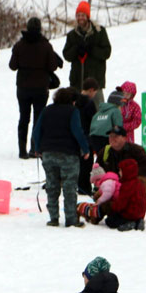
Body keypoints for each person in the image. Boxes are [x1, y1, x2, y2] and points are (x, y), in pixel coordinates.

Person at [31, 87, 91, 228]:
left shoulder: (47, 110)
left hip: (48, 154)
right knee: (69, 188)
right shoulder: (72, 111)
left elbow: (36, 131)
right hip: (68, 155)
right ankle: (71, 219)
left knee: (52, 187)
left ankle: (53, 218)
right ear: (72, 101)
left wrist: (38, 148)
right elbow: (77, 131)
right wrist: (85, 148)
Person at [9, 16, 63, 159]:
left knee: (23, 118)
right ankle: (35, 149)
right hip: (40, 88)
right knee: (38, 119)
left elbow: (12, 66)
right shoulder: (45, 46)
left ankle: (22, 150)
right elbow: (52, 66)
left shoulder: (20, 45)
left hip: (23, 88)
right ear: (39, 29)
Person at [76, 157, 146, 231]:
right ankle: (138, 221)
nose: (119, 172)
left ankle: (130, 223)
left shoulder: (127, 186)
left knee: (110, 221)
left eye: (120, 170)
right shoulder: (139, 183)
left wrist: (112, 207)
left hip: (129, 214)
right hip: (140, 213)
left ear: (126, 172)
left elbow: (121, 203)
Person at [62, 1, 111, 103]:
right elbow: (66, 55)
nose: (80, 18)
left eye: (83, 15)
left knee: (98, 112)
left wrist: (92, 50)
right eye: (78, 15)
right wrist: (76, 49)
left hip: (95, 83)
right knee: (78, 114)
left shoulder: (99, 32)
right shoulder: (72, 35)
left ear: (87, 16)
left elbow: (107, 52)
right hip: (77, 83)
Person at [74, 78, 99, 194]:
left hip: (75, 136)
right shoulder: (89, 103)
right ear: (91, 90)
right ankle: (85, 188)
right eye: (95, 92)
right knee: (87, 165)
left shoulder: (74, 101)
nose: (94, 95)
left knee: (77, 163)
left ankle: (78, 186)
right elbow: (93, 121)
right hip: (87, 137)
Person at [87, 92, 123, 167]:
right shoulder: (115, 110)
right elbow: (118, 127)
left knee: (101, 158)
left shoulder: (99, 112)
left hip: (94, 138)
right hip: (106, 138)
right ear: (118, 104)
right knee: (109, 161)